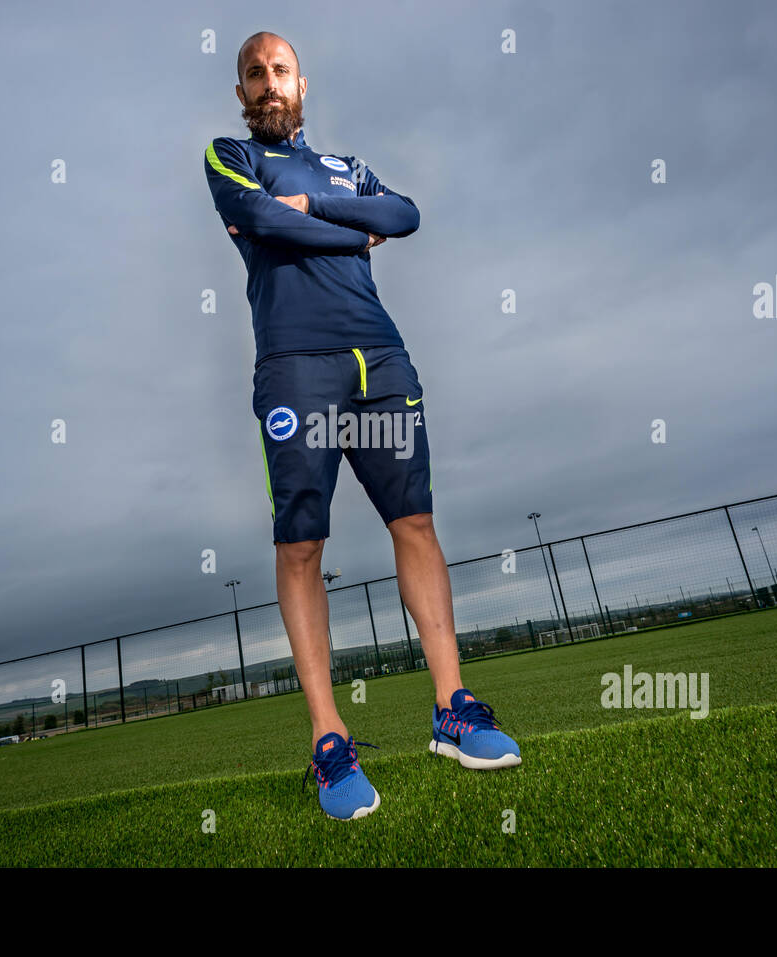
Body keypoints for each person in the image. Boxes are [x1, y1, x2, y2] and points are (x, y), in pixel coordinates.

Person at [203, 32, 521, 821]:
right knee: (303, 542)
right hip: (296, 368)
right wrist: (344, 228)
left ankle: (453, 708)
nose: (268, 84)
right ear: (241, 93)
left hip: (378, 361)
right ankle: (329, 740)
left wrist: (319, 206)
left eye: (279, 70)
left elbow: (405, 213)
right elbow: (261, 220)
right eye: (254, 74)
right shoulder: (228, 156)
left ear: (301, 82)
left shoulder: (346, 167)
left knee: (414, 522)